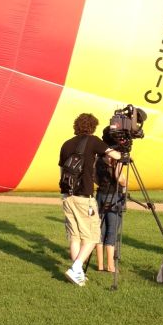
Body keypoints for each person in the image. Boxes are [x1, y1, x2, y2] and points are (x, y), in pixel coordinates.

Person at [59, 113, 121, 286]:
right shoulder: (92, 141)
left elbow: (62, 171)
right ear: (92, 127)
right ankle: (76, 267)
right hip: (84, 197)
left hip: (67, 196)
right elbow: (114, 156)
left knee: (75, 236)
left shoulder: (66, 144)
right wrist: (122, 149)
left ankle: (77, 272)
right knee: (93, 236)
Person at [94, 131, 127, 273]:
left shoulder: (98, 157)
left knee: (100, 230)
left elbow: (95, 178)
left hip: (100, 195)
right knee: (112, 230)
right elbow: (119, 179)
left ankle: (100, 265)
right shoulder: (115, 157)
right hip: (114, 195)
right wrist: (124, 181)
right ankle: (111, 266)